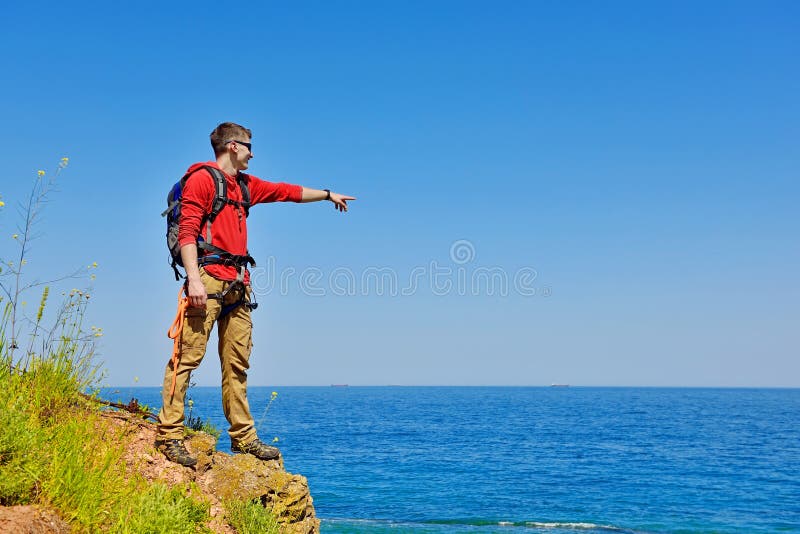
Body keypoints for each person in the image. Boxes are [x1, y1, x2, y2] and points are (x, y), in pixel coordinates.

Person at [155, 122, 355, 467]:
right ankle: (169, 435)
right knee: (186, 357)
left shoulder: (245, 186)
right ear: (233, 146)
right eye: (249, 146)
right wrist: (194, 280)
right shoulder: (204, 179)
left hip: (238, 284)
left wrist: (326, 194)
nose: (252, 152)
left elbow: (285, 191)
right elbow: (187, 231)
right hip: (207, 279)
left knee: (237, 363)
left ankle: (244, 439)